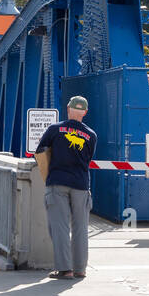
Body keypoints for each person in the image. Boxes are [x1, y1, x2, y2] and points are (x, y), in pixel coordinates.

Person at [35, 96, 98, 281]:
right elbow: (87, 159)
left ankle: (65, 270)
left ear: (68, 109)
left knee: (60, 227)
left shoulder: (55, 130)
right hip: (80, 185)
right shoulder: (91, 135)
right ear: (85, 112)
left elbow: (39, 152)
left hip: (57, 182)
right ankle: (80, 269)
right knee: (80, 228)